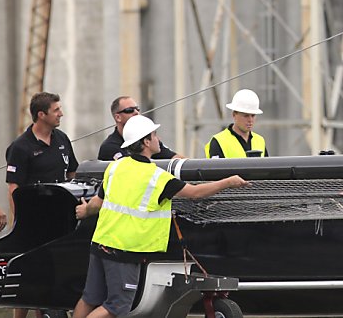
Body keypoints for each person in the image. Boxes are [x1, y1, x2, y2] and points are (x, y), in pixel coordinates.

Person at [73, 115, 249, 318]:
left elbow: (99, 201)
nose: (158, 139)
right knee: (117, 306)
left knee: (90, 299)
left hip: (100, 243)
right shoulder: (157, 178)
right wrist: (228, 182)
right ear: (146, 142)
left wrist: (85, 211)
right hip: (124, 251)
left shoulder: (115, 167)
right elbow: (195, 193)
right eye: (154, 135)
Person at [6, 92, 78, 218]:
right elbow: (13, 188)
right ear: (41, 115)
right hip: (36, 214)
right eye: (56, 110)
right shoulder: (20, 147)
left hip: (62, 211)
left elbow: (72, 173)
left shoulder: (62, 138)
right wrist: (20, 222)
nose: (61, 114)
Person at [97, 96, 184, 161]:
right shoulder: (110, 147)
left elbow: (174, 157)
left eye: (137, 109)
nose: (136, 112)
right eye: (129, 110)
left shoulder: (147, 138)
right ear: (118, 117)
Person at [205, 89, 269, 158]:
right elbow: (216, 168)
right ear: (234, 115)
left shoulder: (260, 141)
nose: (250, 120)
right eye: (246, 116)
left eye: (253, 115)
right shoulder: (219, 141)